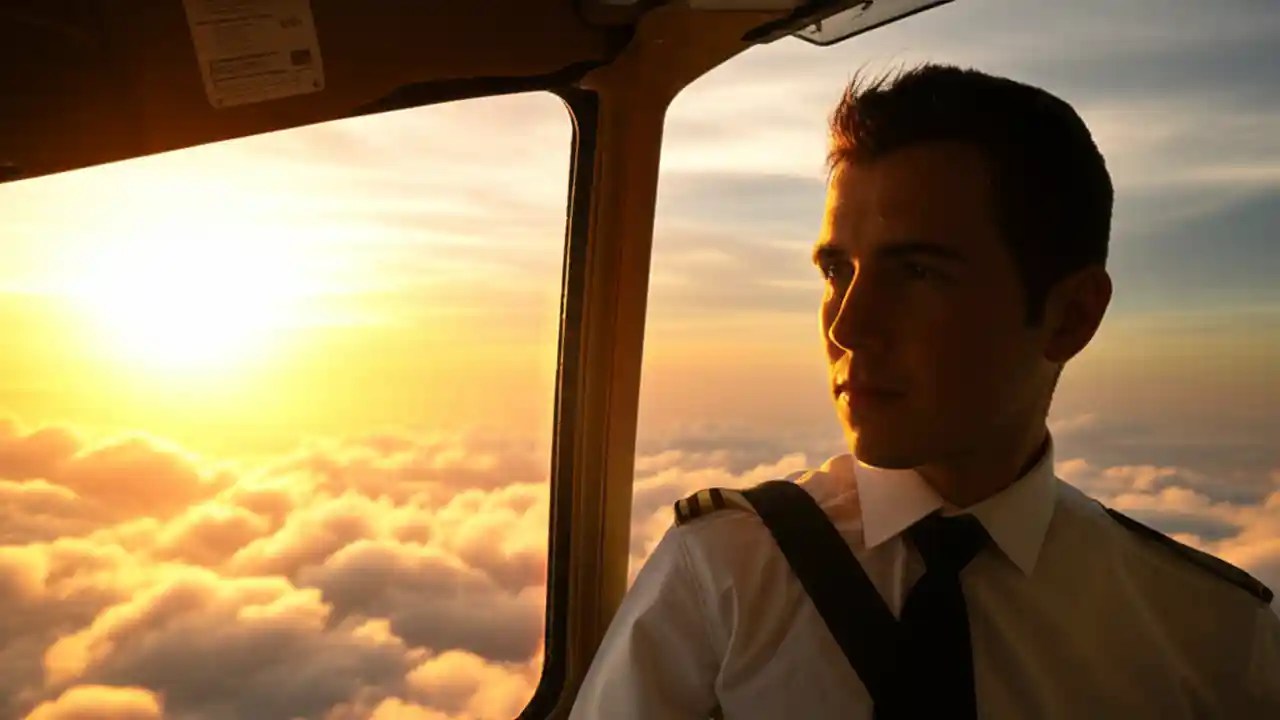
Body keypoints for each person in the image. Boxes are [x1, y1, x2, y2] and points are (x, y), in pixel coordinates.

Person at [568, 64, 1280, 719]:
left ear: (1069, 317)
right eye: (837, 271)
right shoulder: (720, 577)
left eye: (917, 273)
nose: (847, 326)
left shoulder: (1214, 639)